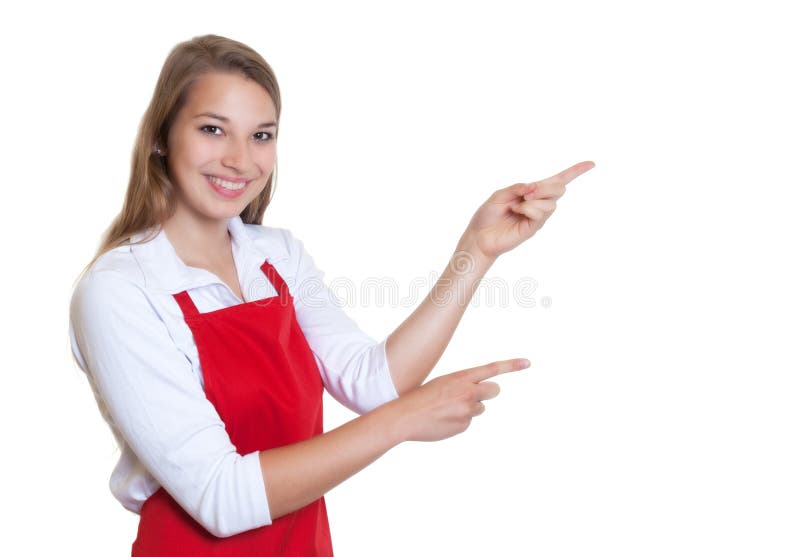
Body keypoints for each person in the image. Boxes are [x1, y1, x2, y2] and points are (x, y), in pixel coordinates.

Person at [68, 34, 595, 556]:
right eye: (213, 129)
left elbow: (373, 381)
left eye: (261, 136)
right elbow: (219, 496)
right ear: (161, 137)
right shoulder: (118, 291)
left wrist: (476, 251)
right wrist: (403, 421)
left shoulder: (276, 257)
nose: (240, 159)